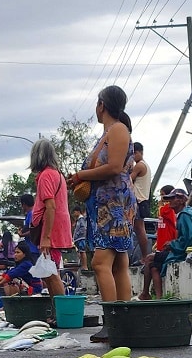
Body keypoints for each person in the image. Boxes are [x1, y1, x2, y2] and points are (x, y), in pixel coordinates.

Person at [68, 85, 138, 342]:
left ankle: (112, 321)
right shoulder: (109, 132)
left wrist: (81, 175)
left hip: (115, 205)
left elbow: (115, 167)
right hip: (105, 204)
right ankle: (123, 320)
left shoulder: (118, 129)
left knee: (100, 263)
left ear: (101, 105)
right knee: (119, 263)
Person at [28, 138, 73, 296]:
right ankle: (57, 312)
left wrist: (46, 237)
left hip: (51, 230)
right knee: (49, 273)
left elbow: (51, 206)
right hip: (56, 227)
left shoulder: (46, 175)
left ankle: (60, 313)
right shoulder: (57, 174)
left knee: (51, 274)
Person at [143, 187, 183, 299]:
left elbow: (161, 211)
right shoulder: (166, 210)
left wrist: (162, 203)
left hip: (169, 247)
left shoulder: (168, 209)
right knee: (154, 268)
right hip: (162, 245)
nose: (161, 198)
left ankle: (145, 293)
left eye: (162, 195)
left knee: (148, 259)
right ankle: (158, 298)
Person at [165, 196, 192, 264]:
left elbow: (190, 238)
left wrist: (172, 244)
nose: (169, 201)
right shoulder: (190, 213)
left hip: (185, 254)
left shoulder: (184, 215)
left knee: (151, 261)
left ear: (181, 201)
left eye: (172, 198)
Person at [131, 142, 151, 221]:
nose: (133, 156)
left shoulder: (139, 166)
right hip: (143, 200)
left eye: (135, 153)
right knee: (139, 228)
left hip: (138, 201)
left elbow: (128, 180)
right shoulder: (145, 165)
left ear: (141, 152)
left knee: (138, 228)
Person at [71, 205, 90, 272]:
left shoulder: (81, 219)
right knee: (79, 252)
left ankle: (85, 266)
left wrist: (78, 234)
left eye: (74, 212)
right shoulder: (78, 220)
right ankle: (82, 265)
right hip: (77, 239)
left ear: (78, 212)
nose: (73, 214)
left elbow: (83, 228)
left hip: (81, 238)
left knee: (82, 251)